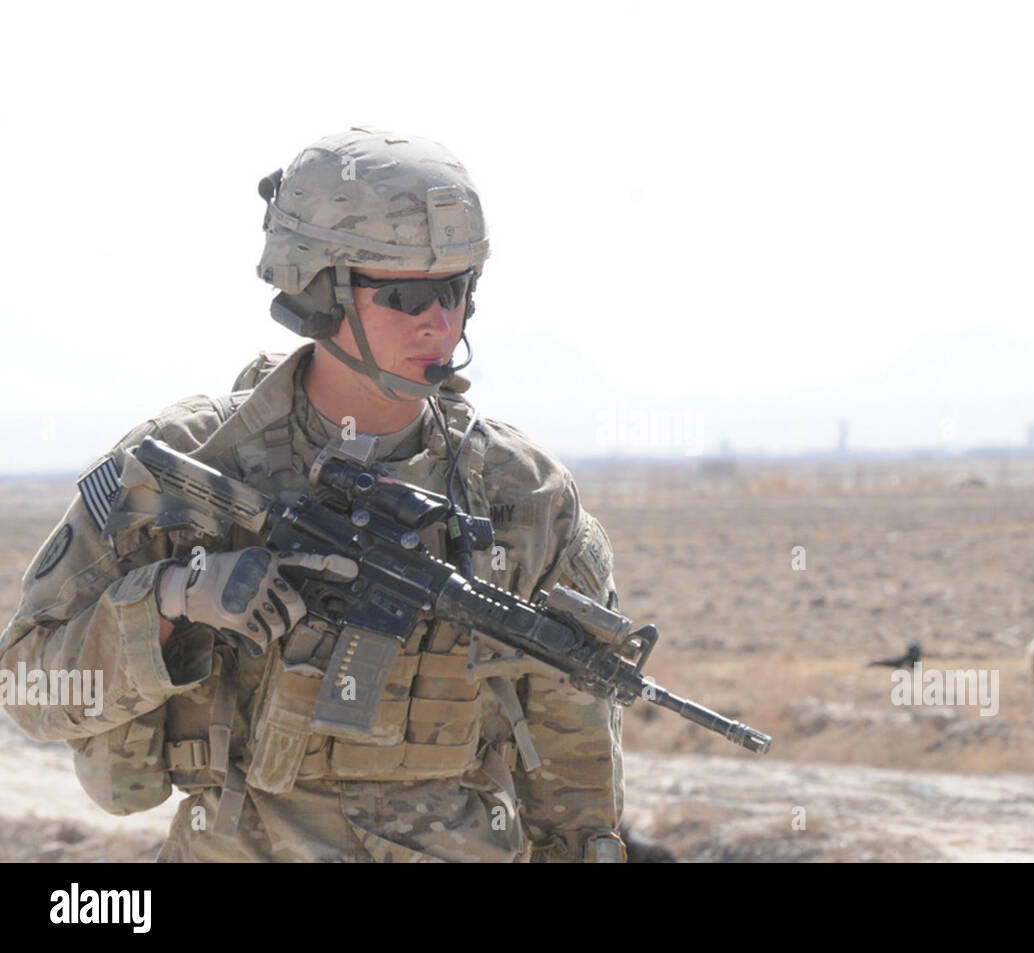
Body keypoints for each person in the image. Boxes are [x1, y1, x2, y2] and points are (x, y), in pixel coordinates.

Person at [0, 127, 626, 862]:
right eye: (405, 293)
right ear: (319, 288)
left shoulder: (525, 494)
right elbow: (29, 689)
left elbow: (576, 770)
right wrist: (169, 599)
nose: (442, 320)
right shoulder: (187, 461)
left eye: (458, 289)